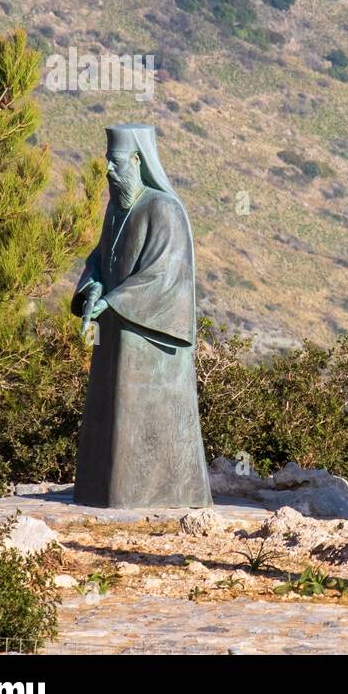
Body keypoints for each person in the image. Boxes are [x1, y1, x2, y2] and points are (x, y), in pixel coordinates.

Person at [71, 124, 211, 508]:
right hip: (116, 327)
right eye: (106, 164)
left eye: (116, 164)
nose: (109, 172)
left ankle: (160, 493)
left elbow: (165, 273)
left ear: (137, 160)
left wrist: (116, 300)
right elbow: (101, 259)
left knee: (144, 416)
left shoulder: (163, 208)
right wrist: (95, 287)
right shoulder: (115, 210)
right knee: (108, 411)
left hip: (148, 333)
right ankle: (102, 491)